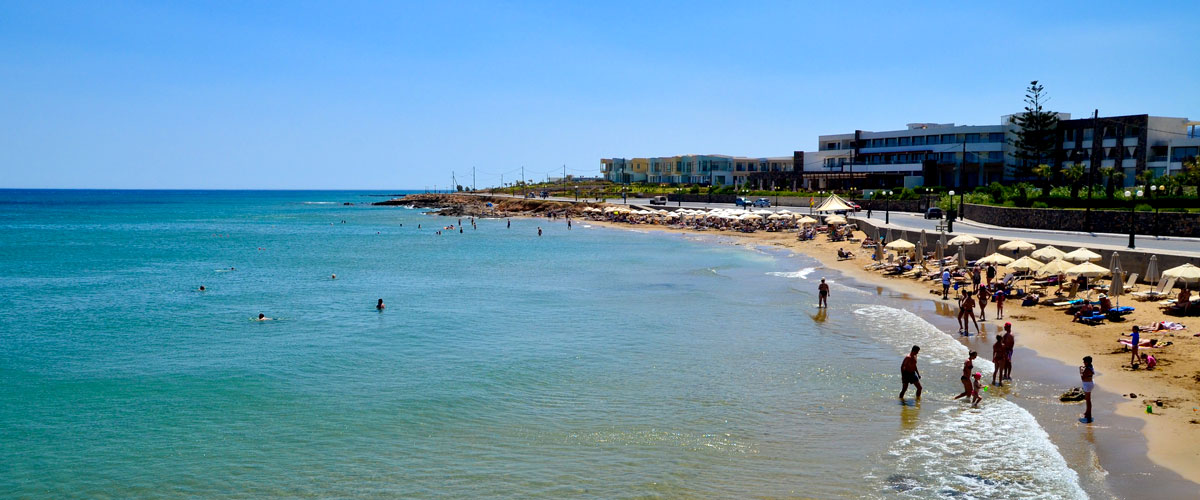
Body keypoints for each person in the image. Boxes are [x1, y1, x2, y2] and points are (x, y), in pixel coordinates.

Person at [1080, 356, 1095, 423]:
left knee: (1088, 400)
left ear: (1087, 362)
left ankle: (1089, 415)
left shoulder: (1087, 369)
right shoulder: (1090, 367)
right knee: (1087, 400)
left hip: (1087, 385)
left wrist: (1080, 371)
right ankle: (1087, 412)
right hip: (1089, 384)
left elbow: (1082, 377)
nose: (1083, 363)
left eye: (1084, 362)